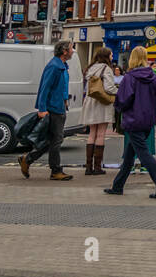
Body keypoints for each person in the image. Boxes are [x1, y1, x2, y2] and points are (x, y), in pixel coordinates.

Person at [104, 45, 156, 198]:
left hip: (133, 120)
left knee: (144, 154)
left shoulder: (129, 78)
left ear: (132, 59)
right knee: (130, 155)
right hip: (148, 121)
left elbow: (123, 100)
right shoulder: (154, 78)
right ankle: (117, 186)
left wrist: (118, 108)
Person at [20, 40, 76, 181]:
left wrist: (65, 102)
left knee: (51, 140)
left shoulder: (62, 66)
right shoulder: (54, 66)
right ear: (64, 51)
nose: (73, 51)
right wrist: (42, 109)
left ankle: (28, 159)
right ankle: (55, 170)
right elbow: (45, 88)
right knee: (56, 140)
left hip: (59, 107)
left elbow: (61, 88)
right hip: (53, 108)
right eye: (71, 48)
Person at [81, 47, 118, 176]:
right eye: (111, 55)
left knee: (92, 133)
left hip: (90, 101)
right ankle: (97, 167)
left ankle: (88, 167)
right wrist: (118, 92)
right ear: (106, 56)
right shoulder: (106, 69)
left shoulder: (91, 68)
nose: (112, 56)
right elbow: (109, 88)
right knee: (101, 134)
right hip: (102, 103)